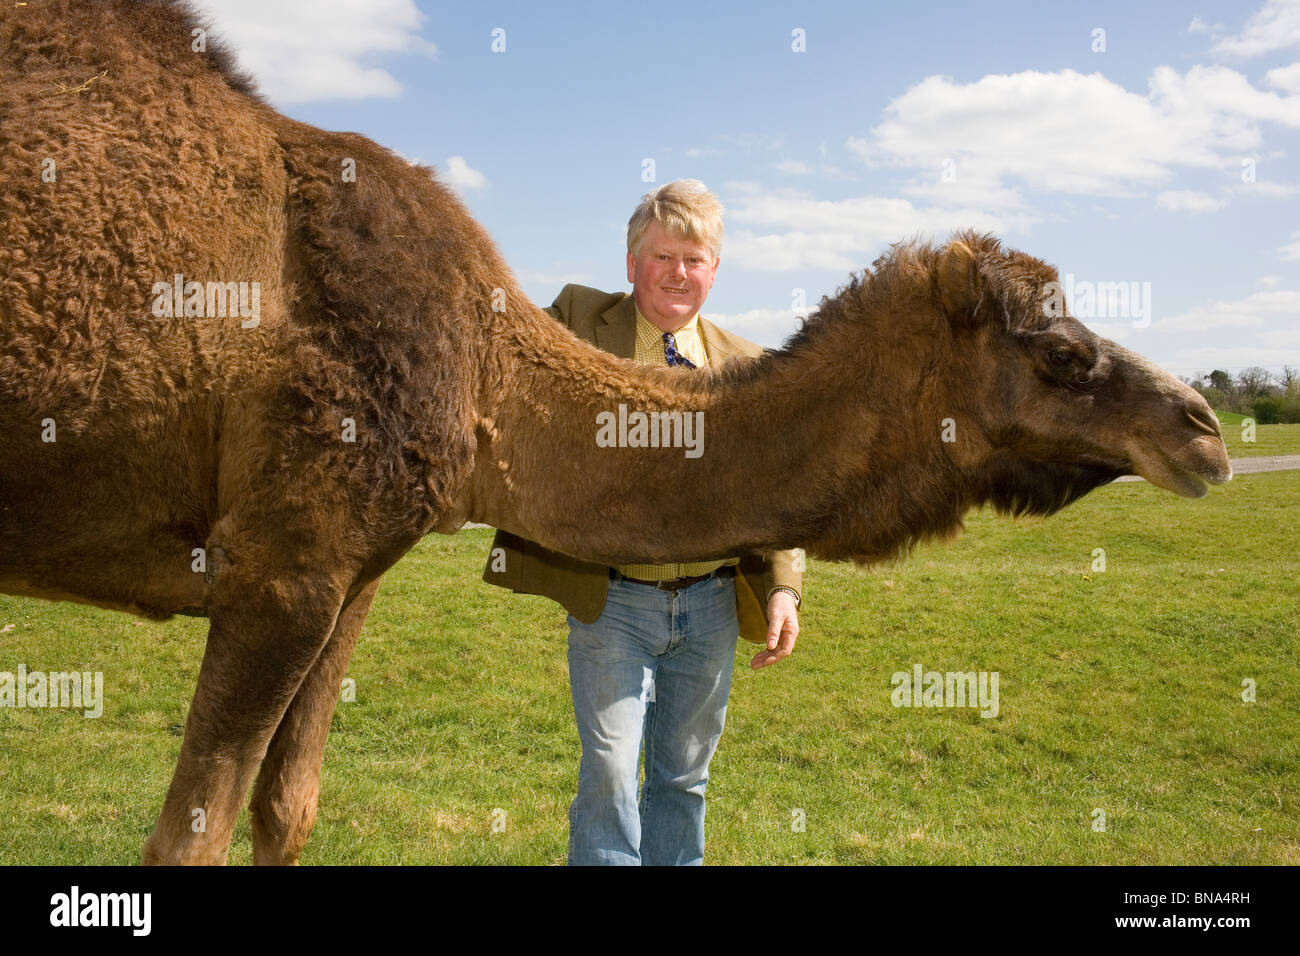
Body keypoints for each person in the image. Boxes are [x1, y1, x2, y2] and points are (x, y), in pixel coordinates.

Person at [482, 179, 803, 865]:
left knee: (683, 780)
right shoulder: (575, 320)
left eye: (693, 258)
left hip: (710, 604)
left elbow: (777, 492)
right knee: (609, 774)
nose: (676, 273)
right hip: (614, 603)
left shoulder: (746, 366)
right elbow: (492, 355)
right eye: (661, 257)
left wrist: (783, 588)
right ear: (631, 263)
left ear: (714, 270)